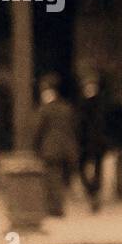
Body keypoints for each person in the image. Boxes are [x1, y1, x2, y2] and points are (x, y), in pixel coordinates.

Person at [32, 76, 78, 217]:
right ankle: (58, 206)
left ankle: (54, 208)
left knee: (52, 180)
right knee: (61, 179)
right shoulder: (67, 108)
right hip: (67, 149)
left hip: (50, 149)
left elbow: (37, 130)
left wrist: (36, 147)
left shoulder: (45, 110)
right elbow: (75, 127)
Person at [77, 71, 109, 212]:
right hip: (86, 141)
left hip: (95, 141)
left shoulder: (100, 103)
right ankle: (93, 191)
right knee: (85, 168)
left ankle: (94, 193)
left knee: (96, 169)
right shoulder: (85, 103)